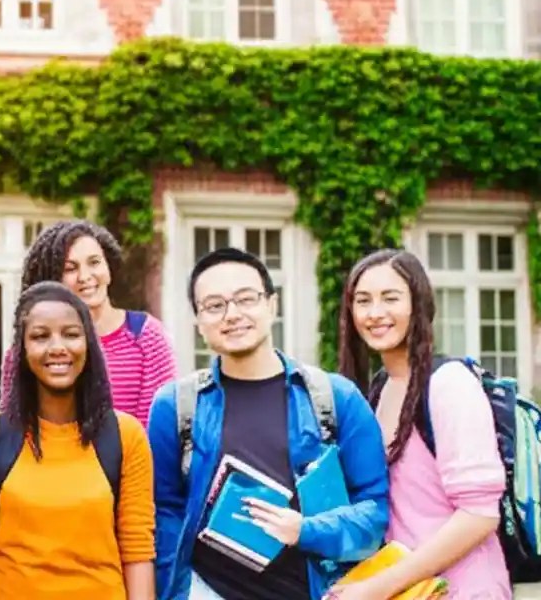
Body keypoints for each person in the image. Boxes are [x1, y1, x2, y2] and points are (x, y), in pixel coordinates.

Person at [147, 247, 390, 600]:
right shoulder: (176, 406)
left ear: (271, 305)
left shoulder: (334, 398)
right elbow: (162, 514)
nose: (232, 315)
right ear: (199, 322)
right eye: (214, 306)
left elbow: (376, 511)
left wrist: (305, 530)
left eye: (246, 299)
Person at [331, 249, 509, 599]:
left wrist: (377, 588)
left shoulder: (450, 384)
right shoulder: (380, 389)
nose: (375, 313)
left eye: (390, 298)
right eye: (363, 301)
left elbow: (479, 515)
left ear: (419, 304)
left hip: (464, 588)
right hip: (410, 590)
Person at [0, 281, 155, 600]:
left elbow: (137, 553)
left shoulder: (126, 436)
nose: (57, 347)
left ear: (89, 344)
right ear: (22, 350)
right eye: (40, 336)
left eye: (71, 334)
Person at [0, 220, 175, 426]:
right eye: (70, 268)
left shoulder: (146, 336)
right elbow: (11, 427)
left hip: (130, 456)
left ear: (108, 266)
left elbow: (159, 427)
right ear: (53, 279)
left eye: (94, 262)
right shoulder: (30, 348)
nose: (85, 276)